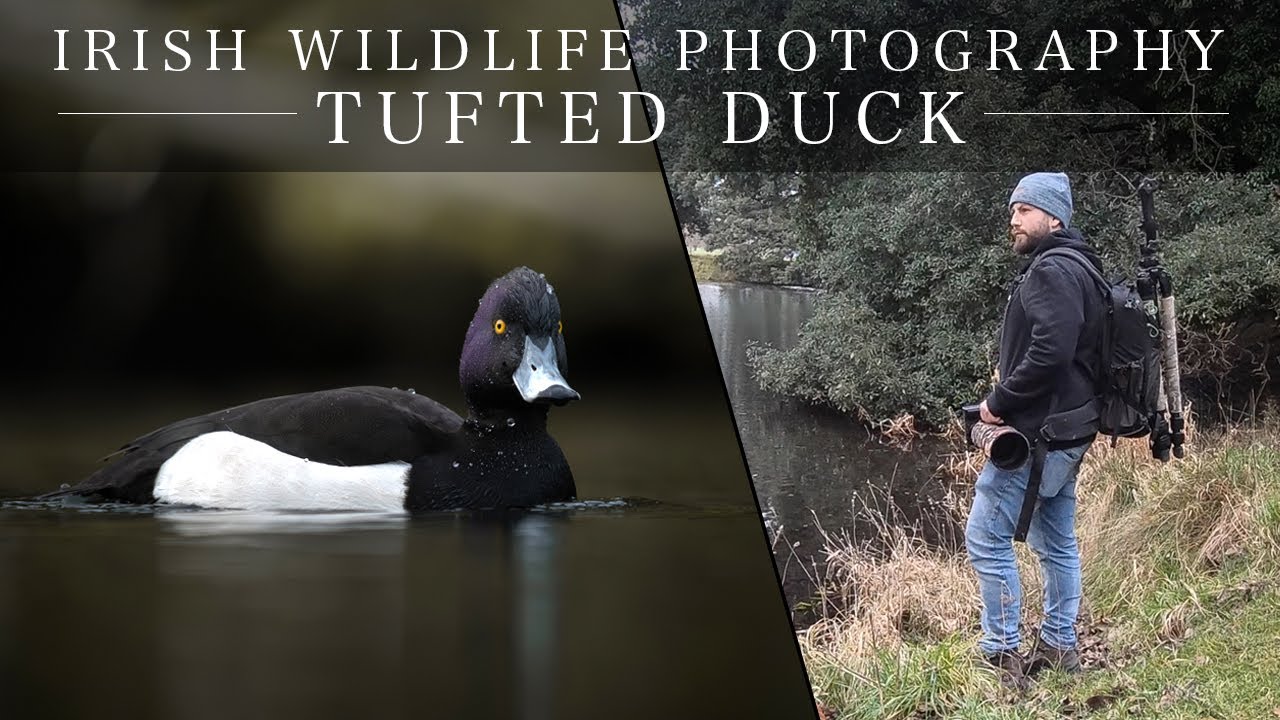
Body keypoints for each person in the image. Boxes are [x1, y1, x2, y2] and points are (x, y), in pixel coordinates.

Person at [967, 172, 1106, 690]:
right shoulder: (1082, 266)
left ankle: (1002, 657)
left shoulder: (1052, 271)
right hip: (1070, 430)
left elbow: (1051, 350)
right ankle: (1059, 645)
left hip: (1039, 436)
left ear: (1053, 218)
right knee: (1057, 541)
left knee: (985, 536)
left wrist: (997, 403)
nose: (1014, 219)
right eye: (1013, 210)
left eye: (1024, 210)